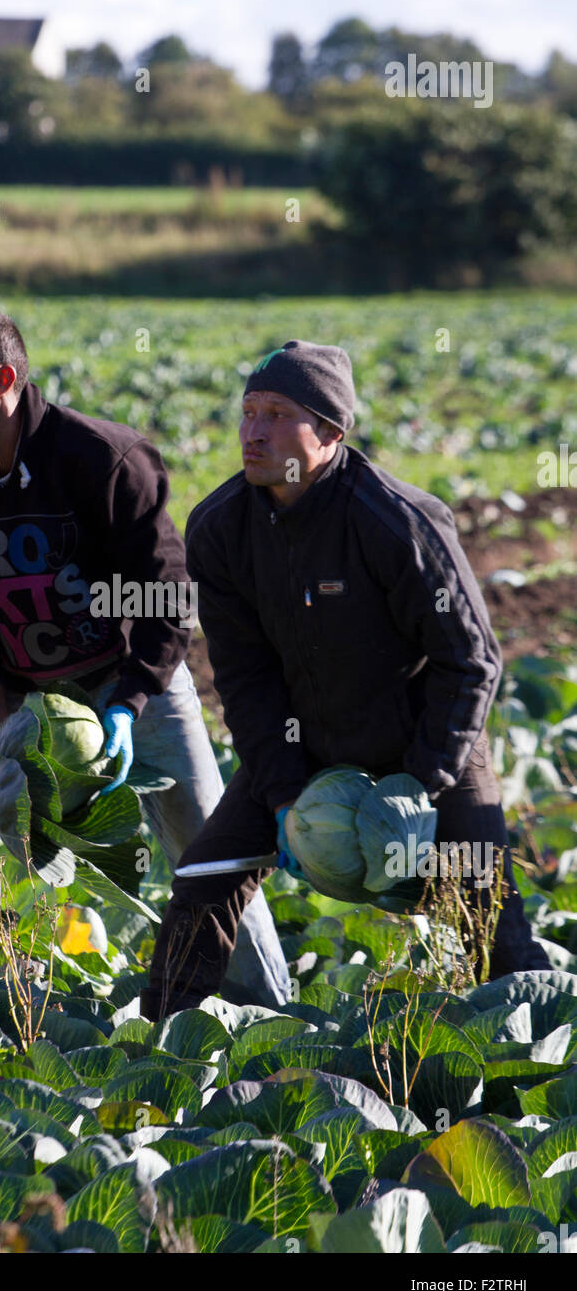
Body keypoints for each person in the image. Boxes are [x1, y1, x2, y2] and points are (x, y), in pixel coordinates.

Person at [141, 339, 550, 1020]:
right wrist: (281, 795)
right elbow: (245, 677)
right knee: (202, 880)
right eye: (248, 412)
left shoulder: (397, 521)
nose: (253, 431)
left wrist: (419, 786)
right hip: (308, 739)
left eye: (276, 413)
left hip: (423, 742)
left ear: (329, 431)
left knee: (488, 919)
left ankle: (545, 1066)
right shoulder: (219, 528)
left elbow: (470, 660)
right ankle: (160, 1052)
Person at [0, 309, 293, 1006]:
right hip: (18, 693)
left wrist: (128, 703)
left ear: (3, 380)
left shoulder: (103, 460)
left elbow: (166, 598)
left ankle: (270, 1015)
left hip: (128, 681)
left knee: (210, 855)